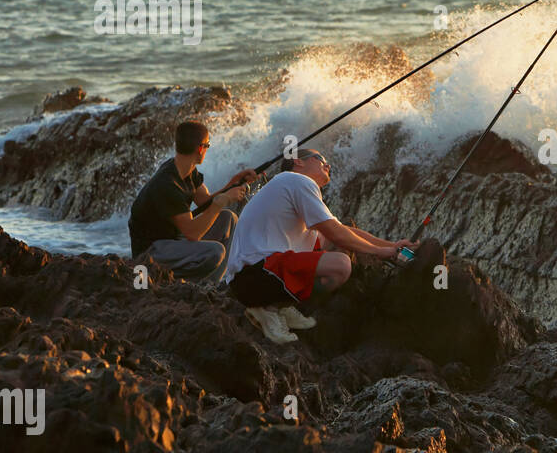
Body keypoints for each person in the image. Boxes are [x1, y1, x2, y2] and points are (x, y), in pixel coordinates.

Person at [222, 148, 418, 343]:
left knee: (330, 241)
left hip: (246, 280)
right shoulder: (296, 180)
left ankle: (277, 304)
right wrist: (379, 252)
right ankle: (269, 309)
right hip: (257, 274)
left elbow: (341, 230)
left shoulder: (286, 188)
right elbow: (335, 232)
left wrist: (392, 246)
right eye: (320, 159)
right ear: (298, 162)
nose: (328, 164)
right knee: (340, 265)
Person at [128, 121, 256, 282]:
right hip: (150, 251)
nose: (207, 149)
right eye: (208, 145)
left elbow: (204, 202)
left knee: (228, 218)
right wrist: (221, 202)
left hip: (172, 240)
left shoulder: (185, 170)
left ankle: (212, 283)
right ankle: (177, 283)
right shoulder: (167, 185)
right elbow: (193, 233)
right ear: (200, 148)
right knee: (214, 252)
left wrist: (233, 184)